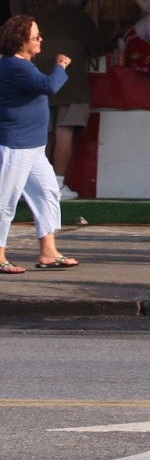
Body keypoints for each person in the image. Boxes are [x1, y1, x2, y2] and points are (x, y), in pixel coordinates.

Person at [0, 14, 80, 272]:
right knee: (4, 201)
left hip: (32, 146)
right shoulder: (14, 65)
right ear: (20, 41)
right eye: (36, 36)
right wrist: (61, 65)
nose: (41, 39)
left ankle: (48, 252)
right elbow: (49, 86)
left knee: (47, 193)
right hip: (14, 145)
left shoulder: (23, 64)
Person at [32, 0, 104, 200]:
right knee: (65, 131)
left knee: (44, 134)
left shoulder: (40, 16)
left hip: (38, 79)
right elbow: (97, 48)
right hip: (70, 81)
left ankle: (34, 186)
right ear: (80, 4)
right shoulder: (83, 19)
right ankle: (57, 185)